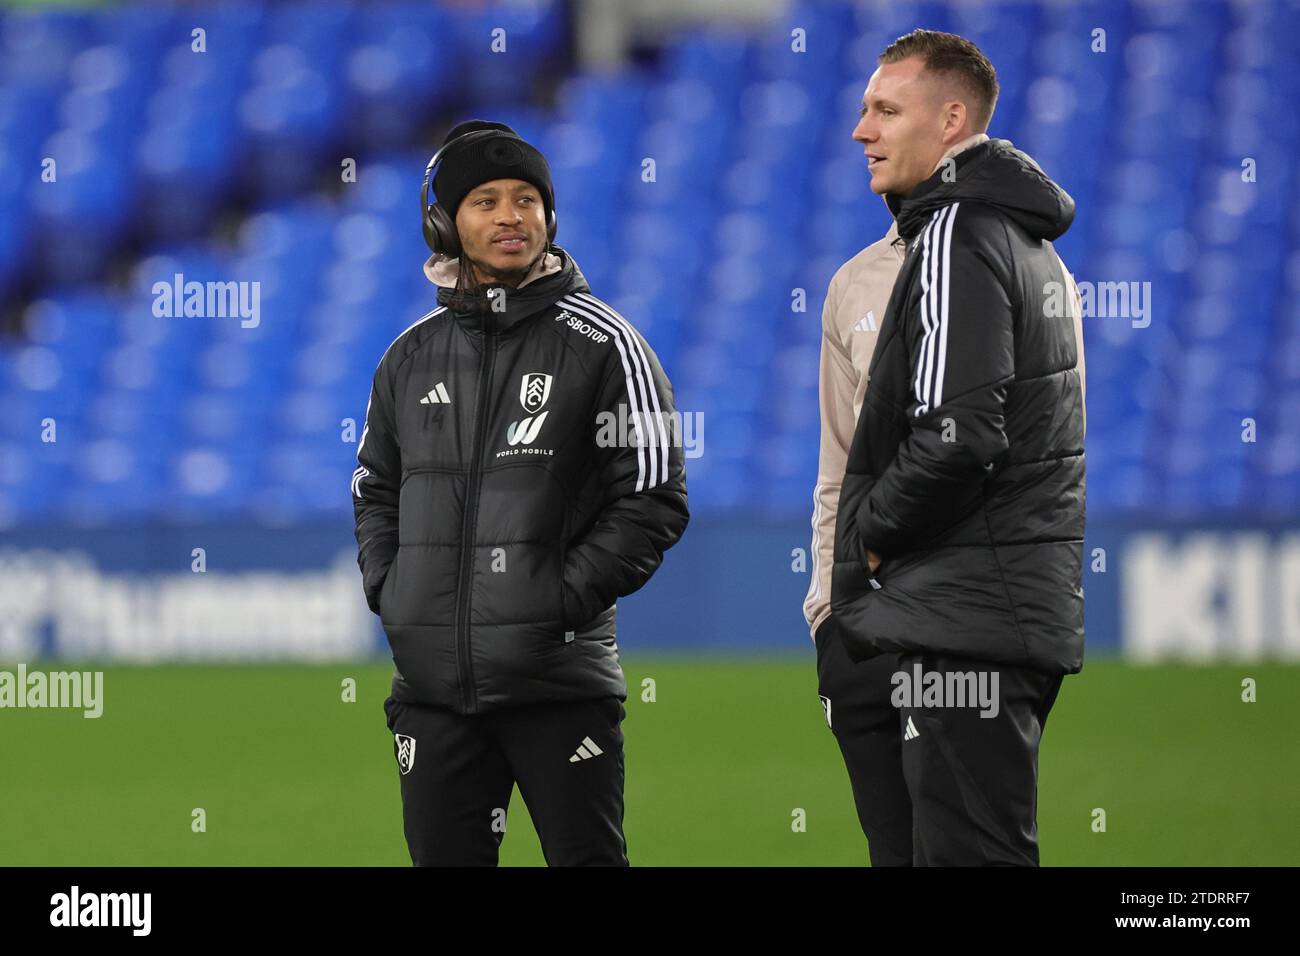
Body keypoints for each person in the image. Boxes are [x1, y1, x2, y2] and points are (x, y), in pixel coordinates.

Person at [352, 120, 689, 866]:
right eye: (485, 200)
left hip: (558, 688)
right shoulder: (407, 358)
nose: (511, 216)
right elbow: (374, 488)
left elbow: (655, 495)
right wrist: (394, 588)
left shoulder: (605, 343)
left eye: (527, 199)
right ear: (443, 223)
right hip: (433, 694)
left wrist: (554, 599)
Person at [824, 30, 1087, 866]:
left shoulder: (955, 231)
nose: (862, 129)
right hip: (984, 607)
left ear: (950, 119)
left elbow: (958, 432)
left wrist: (864, 540)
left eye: (884, 110)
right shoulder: (1031, 245)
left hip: (960, 613)